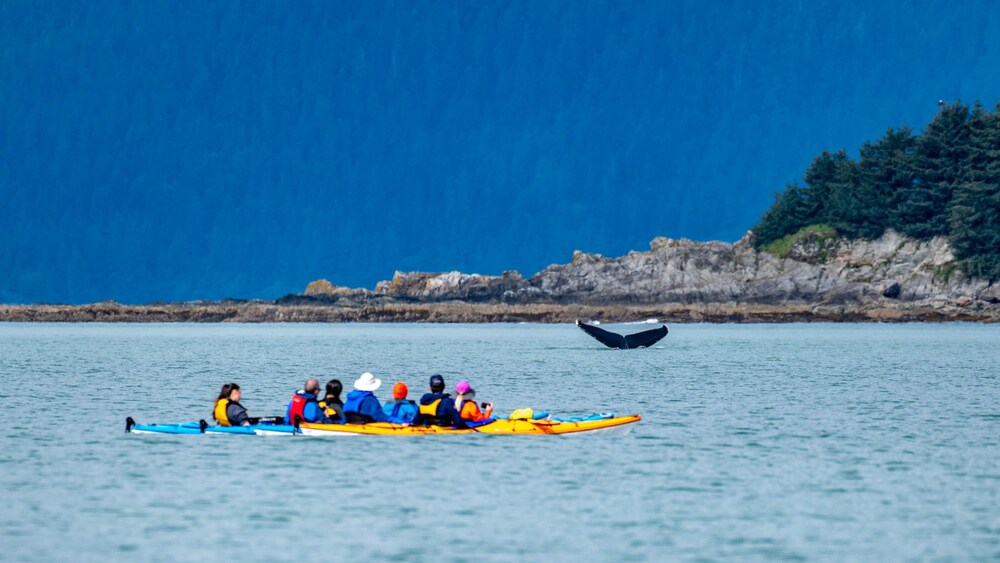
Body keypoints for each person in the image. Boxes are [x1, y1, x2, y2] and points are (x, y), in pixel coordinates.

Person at [343, 372, 409, 424]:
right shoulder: (370, 399)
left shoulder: (350, 397)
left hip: (348, 421)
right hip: (361, 424)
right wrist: (400, 422)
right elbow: (379, 417)